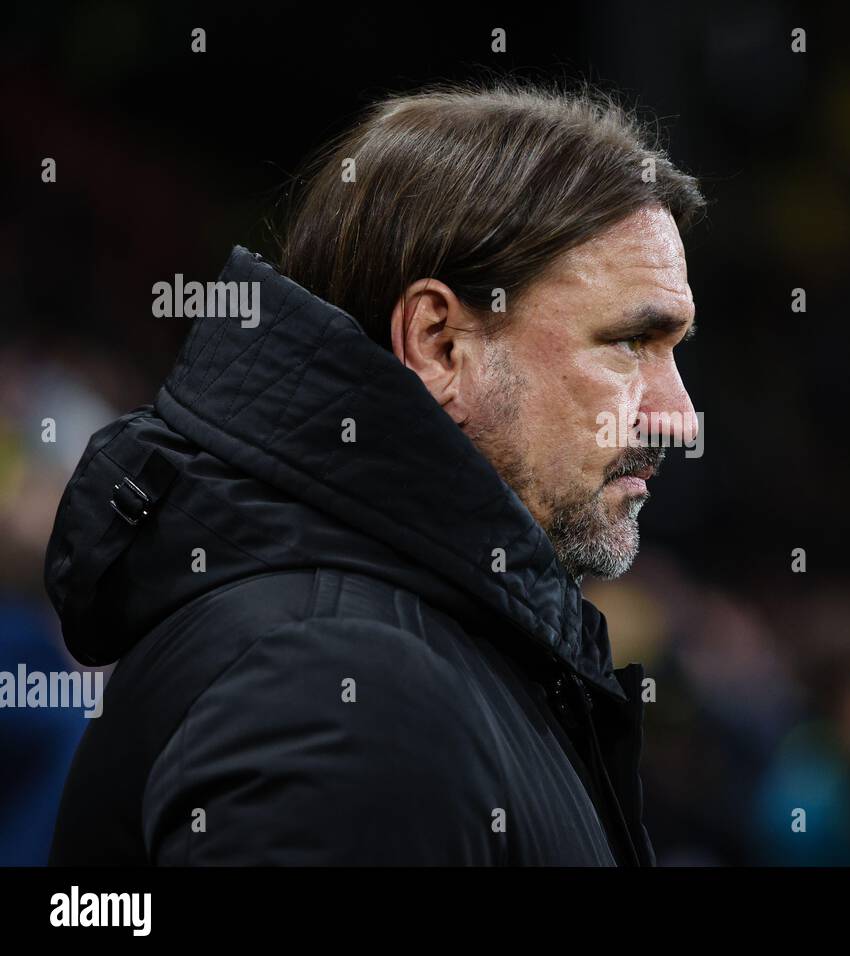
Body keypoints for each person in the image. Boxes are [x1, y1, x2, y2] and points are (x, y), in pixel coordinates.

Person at [44, 81, 703, 865]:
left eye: (674, 349)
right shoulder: (347, 687)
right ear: (439, 345)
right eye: (631, 342)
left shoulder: (382, 652)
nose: (680, 417)